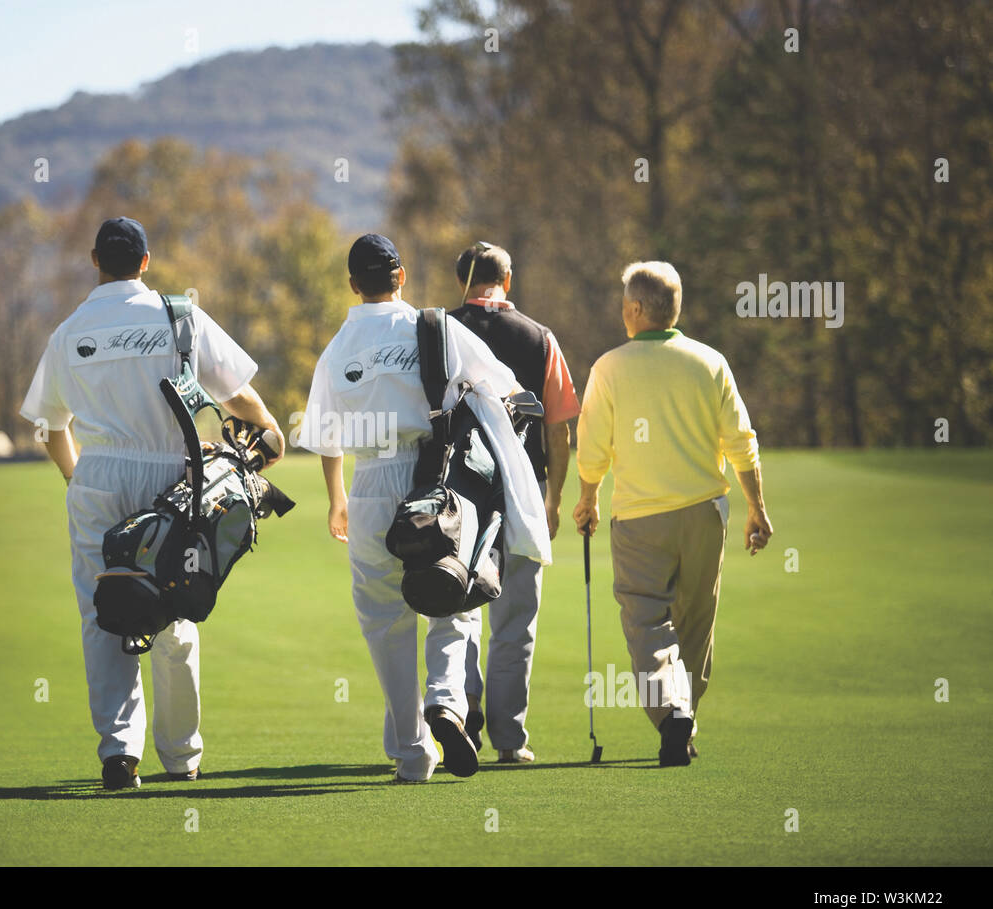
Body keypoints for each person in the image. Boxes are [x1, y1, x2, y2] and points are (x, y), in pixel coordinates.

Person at [20, 217, 284, 790]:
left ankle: (119, 753)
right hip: (173, 476)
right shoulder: (176, 314)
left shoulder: (69, 331)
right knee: (177, 604)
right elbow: (233, 390)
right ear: (145, 260)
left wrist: (76, 478)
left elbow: (48, 426)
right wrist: (266, 426)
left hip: (97, 474)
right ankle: (181, 756)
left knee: (101, 611)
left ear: (96, 259)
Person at [296, 233, 544, 783]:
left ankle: (412, 752)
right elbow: (503, 388)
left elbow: (325, 437)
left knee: (384, 620)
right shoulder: (433, 327)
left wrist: (338, 500)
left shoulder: (337, 347)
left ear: (353, 284)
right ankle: (446, 702)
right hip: (434, 478)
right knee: (452, 597)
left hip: (368, 485)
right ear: (401, 276)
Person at [573, 261, 774, 767]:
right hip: (706, 513)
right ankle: (684, 721)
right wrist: (757, 509)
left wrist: (588, 497)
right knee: (695, 625)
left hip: (640, 518)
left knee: (646, 621)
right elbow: (741, 444)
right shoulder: (710, 362)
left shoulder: (609, 367)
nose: (622, 312)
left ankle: (673, 713)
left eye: (625, 304)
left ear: (637, 309)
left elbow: (592, 447)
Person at [448, 242, 580, 764]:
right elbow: (559, 426)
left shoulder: (441, 331)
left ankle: (465, 707)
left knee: (459, 609)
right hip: (520, 494)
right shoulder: (539, 337)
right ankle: (509, 739)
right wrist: (554, 498)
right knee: (515, 620)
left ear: (463, 279)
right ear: (509, 278)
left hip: (457, 494)